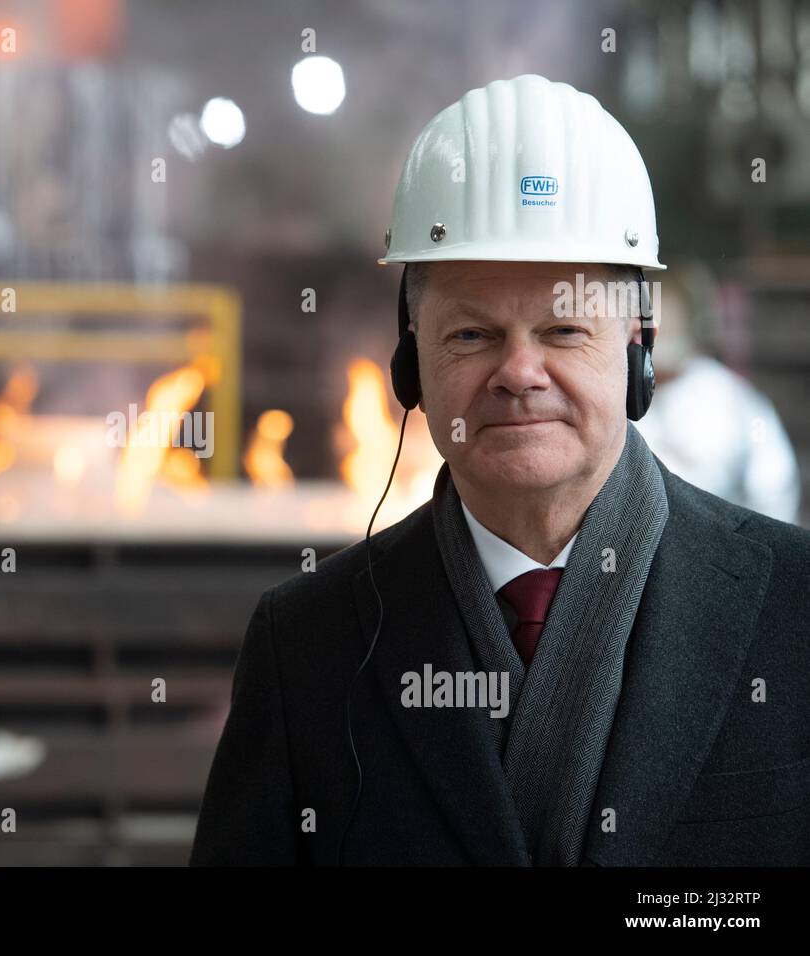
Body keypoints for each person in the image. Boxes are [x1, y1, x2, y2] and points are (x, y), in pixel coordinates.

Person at [190, 75, 810, 866]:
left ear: (638, 350)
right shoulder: (307, 645)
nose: (519, 372)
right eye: (472, 335)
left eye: (563, 329)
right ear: (411, 364)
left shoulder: (793, 608)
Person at [633, 262, 801, 523]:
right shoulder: (619, 392)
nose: (659, 327)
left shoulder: (729, 398)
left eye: (669, 317)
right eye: (651, 315)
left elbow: (772, 485)